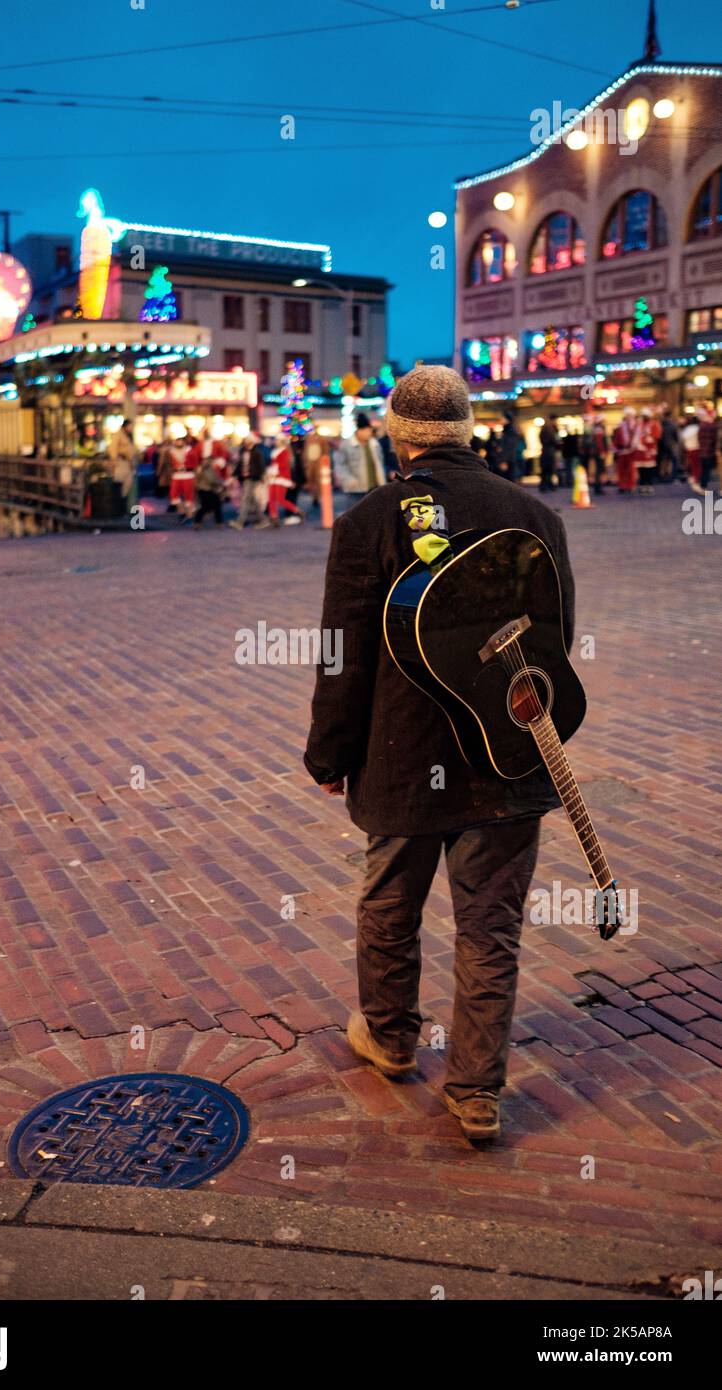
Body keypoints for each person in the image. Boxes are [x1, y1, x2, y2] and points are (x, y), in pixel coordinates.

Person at [304, 367, 575, 1142]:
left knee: (390, 901)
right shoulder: (535, 515)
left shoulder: (370, 522)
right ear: (467, 431)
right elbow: (552, 650)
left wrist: (329, 754)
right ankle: (476, 1092)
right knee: (490, 928)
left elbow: (342, 655)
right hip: (508, 754)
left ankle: (390, 1038)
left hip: (401, 753)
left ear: (401, 436)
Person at [335, 414, 385, 495]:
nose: (369, 433)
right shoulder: (347, 445)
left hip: (375, 489)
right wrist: (348, 480)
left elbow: (380, 463)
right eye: (367, 431)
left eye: (370, 430)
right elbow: (340, 465)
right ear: (359, 431)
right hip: (355, 490)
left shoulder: (375, 444)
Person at [229, 433, 269, 529]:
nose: (246, 442)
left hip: (253, 478)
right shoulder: (243, 451)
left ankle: (240, 522)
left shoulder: (257, 452)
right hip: (245, 478)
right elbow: (240, 464)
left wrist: (262, 477)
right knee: (253, 501)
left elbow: (261, 466)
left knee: (245, 499)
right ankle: (264, 520)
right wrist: (234, 475)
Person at [266, 436, 304, 526]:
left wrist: (274, 472)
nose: (275, 442)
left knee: (280, 499)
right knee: (271, 498)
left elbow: (283, 466)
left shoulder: (285, 452)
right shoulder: (275, 452)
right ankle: (274, 517)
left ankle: (297, 511)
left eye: (277, 440)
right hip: (273, 478)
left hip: (281, 478)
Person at [108, 420, 137, 515]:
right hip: (120, 462)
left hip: (128, 463)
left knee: (127, 483)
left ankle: (122, 508)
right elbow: (113, 448)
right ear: (125, 426)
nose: (131, 428)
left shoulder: (129, 436)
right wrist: (114, 460)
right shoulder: (118, 435)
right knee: (119, 484)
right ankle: (118, 509)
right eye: (130, 426)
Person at [192, 452, 224, 529]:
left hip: (205, 490)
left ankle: (217, 523)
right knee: (209, 507)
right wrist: (222, 483)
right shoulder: (206, 468)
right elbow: (211, 480)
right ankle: (217, 523)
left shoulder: (205, 468)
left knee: (212, 506)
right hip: (206, 490)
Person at [168, 435, 196, 522]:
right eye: (177, 441)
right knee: (173, 495)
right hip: (176, 475)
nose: (179, 443)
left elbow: (195, 463)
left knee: (189, 496)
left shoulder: (190, 451)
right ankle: (182, 512)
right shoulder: (171, 452)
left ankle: (190, 515)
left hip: (188, 475)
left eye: (180, 441)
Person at [633, 406, 660, 495]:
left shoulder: (654, 424)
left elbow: (656, 436)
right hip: (640, 450)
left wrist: (648, 440)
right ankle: (643, 485)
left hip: (649, 450)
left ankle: (649, 485)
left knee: (649, 469)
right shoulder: (638, 425)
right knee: (641, 469)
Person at [612, 407, 638, 495]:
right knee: (621, 470)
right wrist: (615, 449)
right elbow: (616, 439)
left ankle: (631, 486)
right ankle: (622, 486)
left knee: (630, 470)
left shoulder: (635, 426)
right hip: (621, 451)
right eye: (627, 415)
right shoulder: (620, 427)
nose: (629, 417)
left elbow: (637, 439)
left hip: (631, 451)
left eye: (630, 415)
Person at [697, 405, 720, 492]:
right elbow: (715, 439)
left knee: (704, 469)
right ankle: (703, 486)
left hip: (702, 450)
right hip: (709, 450)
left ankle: (702, 486)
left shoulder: (702, 425)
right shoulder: (712, 426)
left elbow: (699, 438)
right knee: (707, 469)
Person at [657, 406, 679, 483]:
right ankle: (673, 477)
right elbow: (676, 437)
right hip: (671, 445)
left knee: (662, 461)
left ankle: (662, 476)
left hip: (662, 445)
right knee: (674, 462)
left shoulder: (660, 424)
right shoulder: (673, 425)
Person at [499, 413, 524, 482]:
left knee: (508, 481)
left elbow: (509, 447)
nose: (501, 420)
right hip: (509, 459)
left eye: (502, 418)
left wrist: (504, 461)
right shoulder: (507, 430)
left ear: (507, 420)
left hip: (509, 460)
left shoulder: (510, 431)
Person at [539, 416, 560, 492]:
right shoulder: (551, 429)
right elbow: (555, 440)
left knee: (545, 470)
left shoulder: (544, 428)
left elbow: (541, 438)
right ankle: (550, 486)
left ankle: (544, 486)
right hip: (550, 451)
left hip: (544, 451)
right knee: (550, 470)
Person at [681, 414, 701, 488]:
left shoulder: (687, 429)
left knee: (692, 464)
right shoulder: (698, 428)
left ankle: (692, 477)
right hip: (696, 448)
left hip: (688, 448)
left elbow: (683, 438)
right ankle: (695, 479)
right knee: (697, 465)